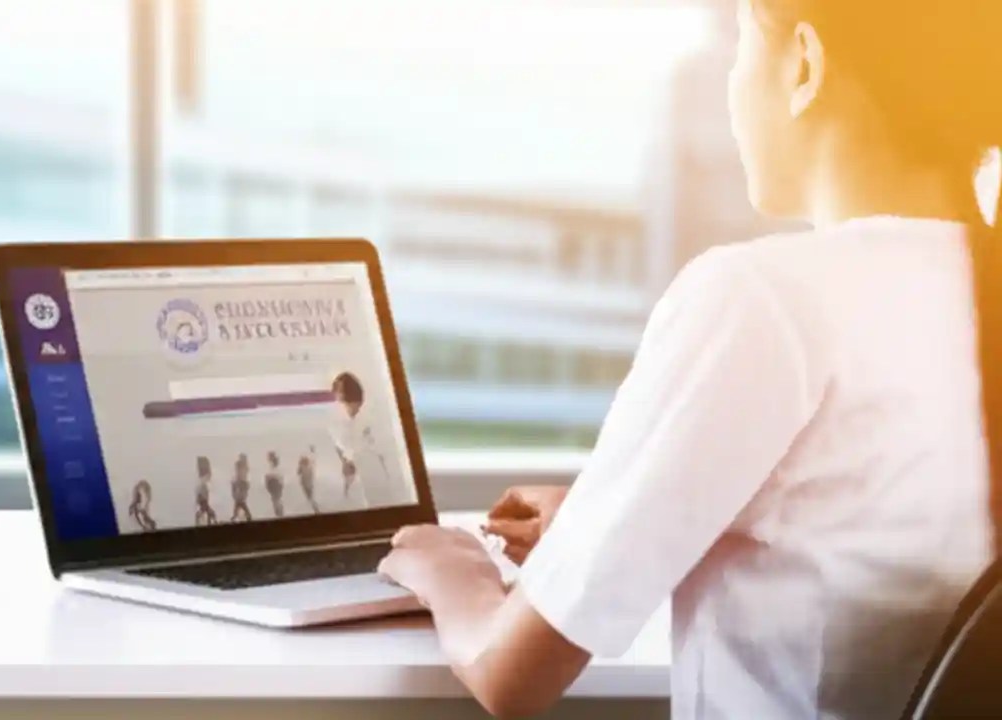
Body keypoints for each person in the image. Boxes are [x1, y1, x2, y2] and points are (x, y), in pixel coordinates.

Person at [378, 2, 1002, 718]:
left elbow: (507, 673)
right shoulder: (970, 287)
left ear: (804, 64)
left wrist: (449, 567)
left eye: (742, 45)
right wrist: (605, 519)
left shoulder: (761, 298)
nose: (733, 82)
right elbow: (875, 534)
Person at [195, 457, 218, 526]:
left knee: (209, 513)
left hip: (203, 499)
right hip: (203, 499)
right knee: (209, 513)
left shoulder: (202, 482)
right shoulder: (202, 483)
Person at [230, 453, 253, 523]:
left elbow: (242, 476)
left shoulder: (243, 466)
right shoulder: (243, 466)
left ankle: (237, 515)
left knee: (240, 502)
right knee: (240, 502)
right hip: (241, 484)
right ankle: (239, 515)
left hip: (241, 484)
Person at [298, 445, 321, 514]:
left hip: (304, 483)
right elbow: (312, 474)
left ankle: (315, 507)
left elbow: (298, 473)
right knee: (311, 495)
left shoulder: (302, 467)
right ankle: (313, 505)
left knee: (309, 495)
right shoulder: (310, 467)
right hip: (309, 483)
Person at [264, 451, 286, 518]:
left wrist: (267, 482)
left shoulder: (272, 465)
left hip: (273, 482)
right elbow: (279, 474)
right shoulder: (275, 464)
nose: (267, 458)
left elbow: (270, 474)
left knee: (275, 499)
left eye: (268, 456)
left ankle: (279, 512)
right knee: (276, 498)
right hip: (275, 482)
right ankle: (279, 512)